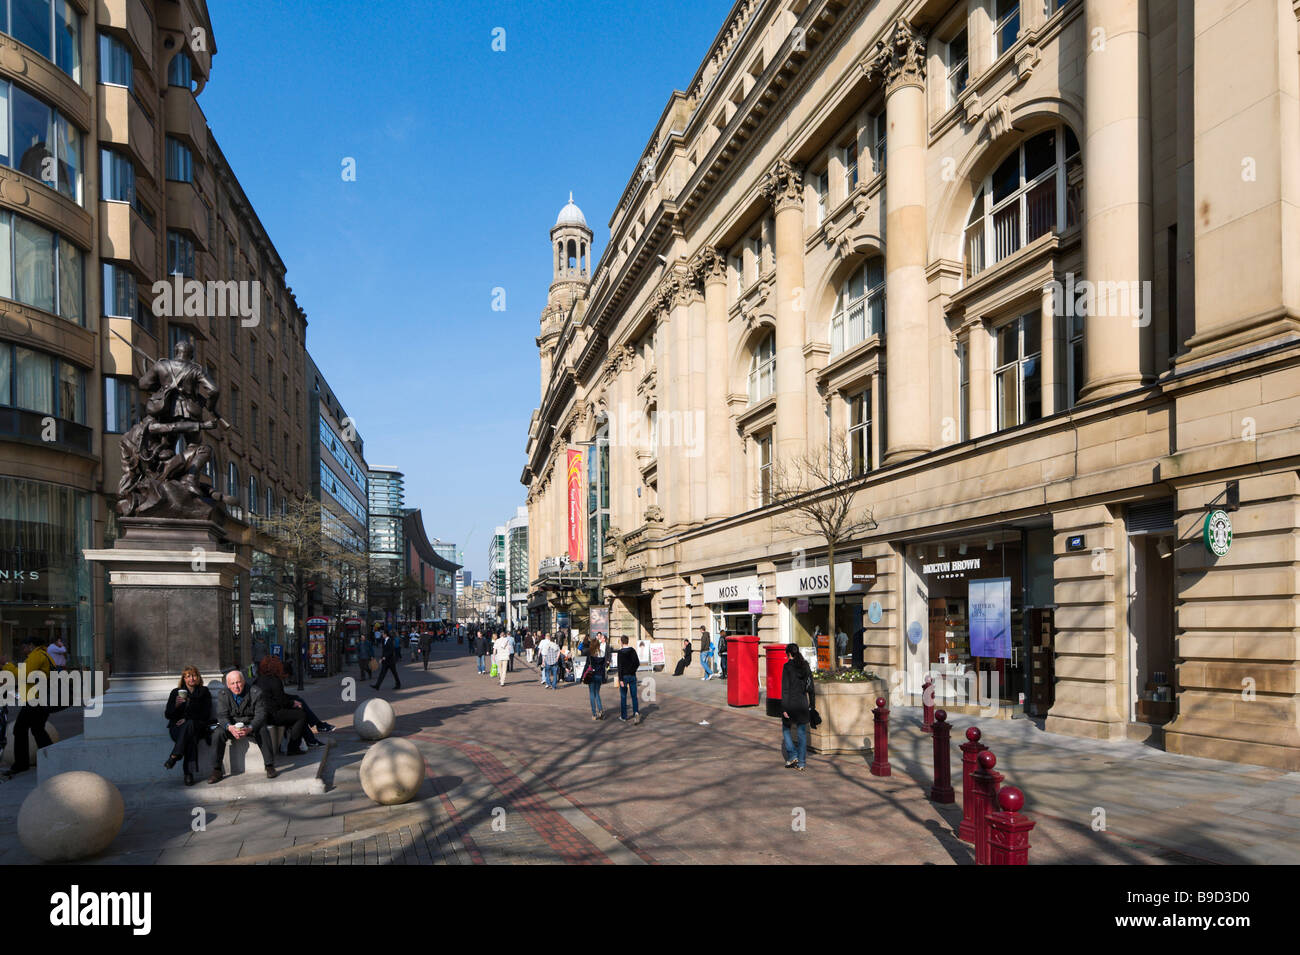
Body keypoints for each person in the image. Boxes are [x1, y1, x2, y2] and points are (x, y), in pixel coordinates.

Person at [210, 667, 277, 782]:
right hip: (232, 726)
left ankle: (269, 766)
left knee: (262, 730)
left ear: (243, 681)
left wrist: (250, 728)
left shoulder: (256, 692)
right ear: (228, 685)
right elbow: (222, 715)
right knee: (218, 733)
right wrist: (230, 727)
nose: (236, 686)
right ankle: (217, 770)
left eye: (238, 682)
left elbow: (261, 715)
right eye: (232, 683)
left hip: (251, 724)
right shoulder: (223, 694)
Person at [2, 637, 54, 778]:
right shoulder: (44, 654)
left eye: (23, 647)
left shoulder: (36, 655)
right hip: (41, 699)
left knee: (20, 729)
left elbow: (23, 675)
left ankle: (21, 764)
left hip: (35, 699)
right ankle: (51, 760)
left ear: (31, 646)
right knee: (38, 730)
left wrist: (7, 664)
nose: (22, 650)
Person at [164, 665, 213, 785]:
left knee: (190, 725)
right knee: (190, 737)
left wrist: (186, 719)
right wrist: (175, 705)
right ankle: (188, 773)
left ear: (198, 677)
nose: (191, 678)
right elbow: (168, 714)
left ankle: (175, 755)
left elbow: (205, 714)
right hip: (177, 728)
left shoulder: (204, 692)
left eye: (194, 675)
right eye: (188, 676)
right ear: (184, 679)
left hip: (198, 726)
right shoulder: (176, 692)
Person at [255, 656, 311, 755]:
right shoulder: (275, 680)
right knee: (301, 715)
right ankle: (293, 747)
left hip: (262, 713)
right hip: (272, 714)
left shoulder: (258, 680)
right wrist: (293, 703)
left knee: (295, 712)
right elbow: (281, 701)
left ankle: (308, 738)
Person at [780, 644, 815, 772]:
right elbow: (811, 688)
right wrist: (812, 705)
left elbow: (785, 689)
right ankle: (801, 763)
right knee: (801, 734)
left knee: (785, 729)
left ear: (789, 654)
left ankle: (792, 754)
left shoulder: (787, 667)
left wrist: (784, 708)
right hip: (803, 704)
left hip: (790, 704)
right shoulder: (805, 665)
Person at [615, 636, 642, 724]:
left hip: (624, 676)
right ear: (628, 641)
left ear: (622, 642)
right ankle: (636, 712)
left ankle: (624, 716)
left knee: (623, 697)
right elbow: (637, 663)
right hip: (632, 676)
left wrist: (621, 679)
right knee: (634, 696)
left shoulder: (620, 652)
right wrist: (632, 670)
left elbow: (620, 667)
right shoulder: (632, 650)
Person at [581, 633, 608, 720]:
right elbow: (604, 666)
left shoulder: (590, 653)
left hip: (592, 675)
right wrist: (604, 678)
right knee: (597, 693)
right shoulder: (602, 653)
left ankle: (594, 714)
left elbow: (586, 665)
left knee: (592, 694)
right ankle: (600, 710)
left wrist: (582, 676)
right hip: (599, 675)